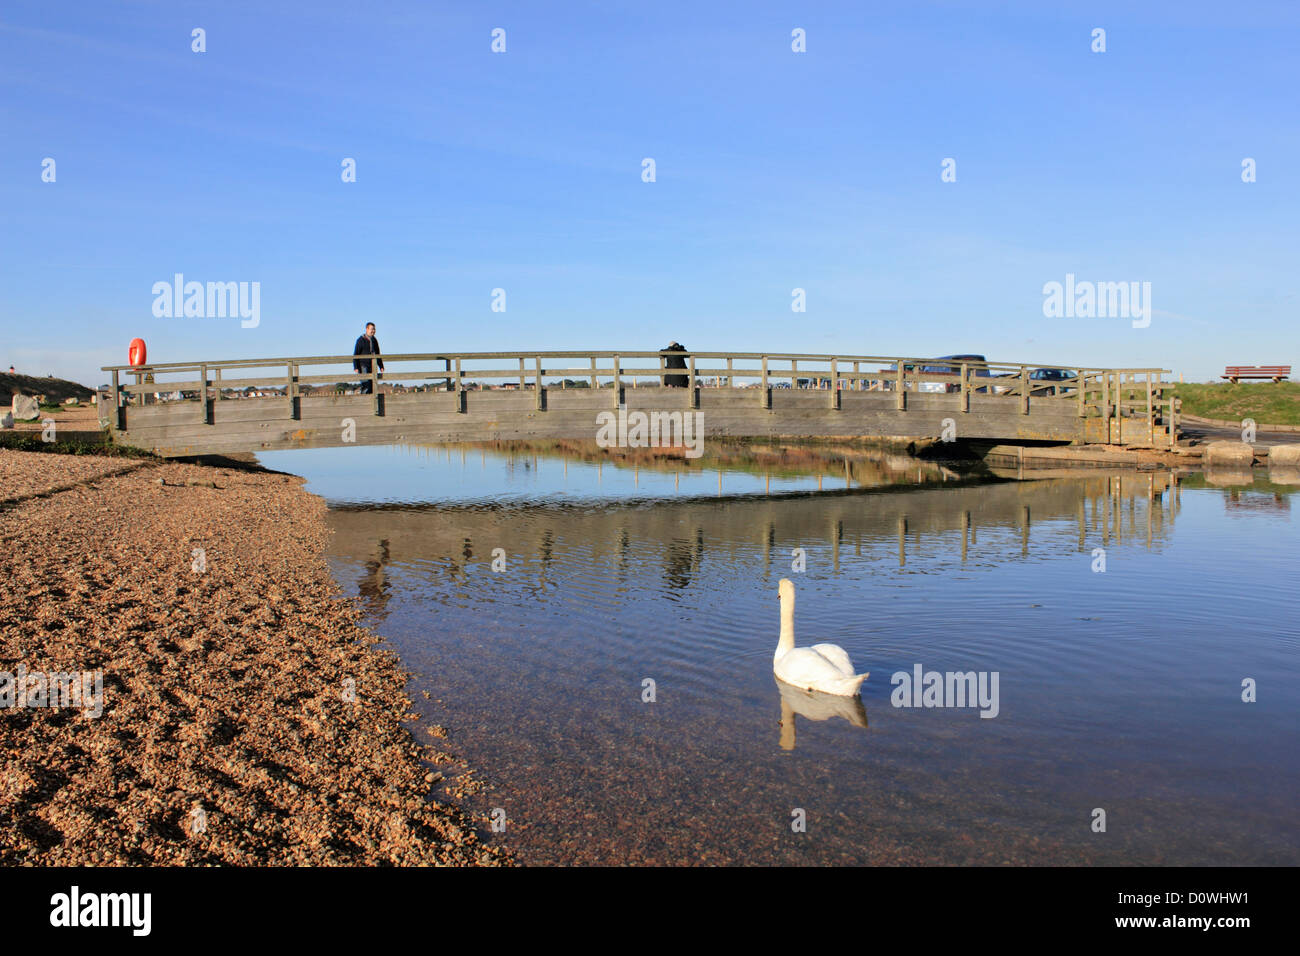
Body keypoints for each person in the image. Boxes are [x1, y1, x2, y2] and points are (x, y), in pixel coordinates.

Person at [353, 322, 385, 394]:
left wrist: (381, 366)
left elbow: (377, 353)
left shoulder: (374, 340)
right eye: (372, 329)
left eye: (374, 329)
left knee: (373, 386)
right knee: (366, 385)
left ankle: (371, 403)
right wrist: (356, 367)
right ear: (367, 329)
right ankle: (364, 402)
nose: (373, 331)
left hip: (372, 366)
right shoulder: (361, 340)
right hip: (363, 366)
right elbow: (356, 354)